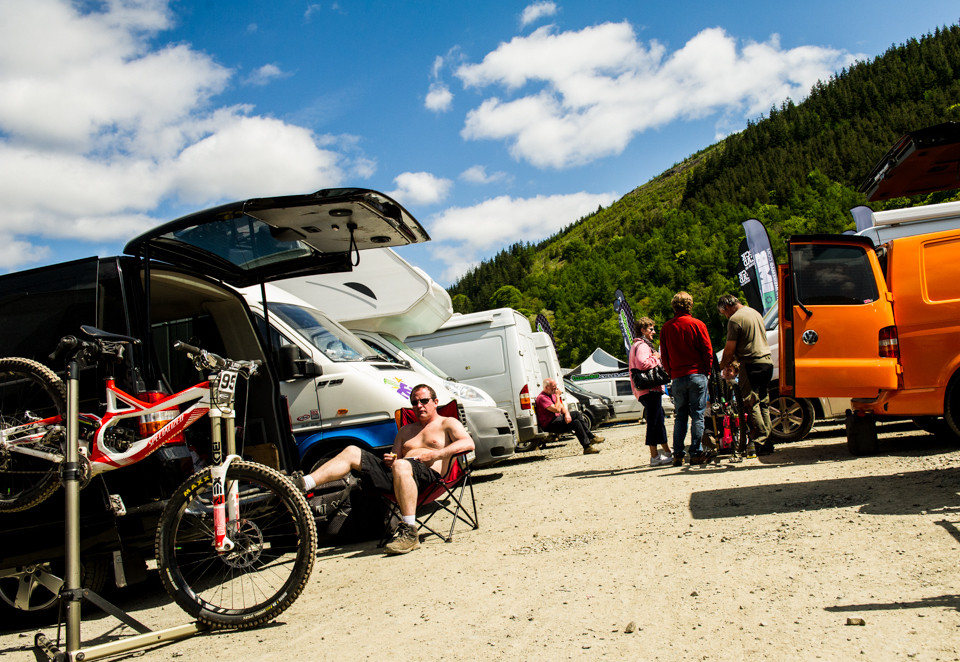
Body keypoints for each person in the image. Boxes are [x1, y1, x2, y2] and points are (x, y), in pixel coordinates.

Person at [294, 384, 475, 555]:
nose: (419, 406)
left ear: (435, 402)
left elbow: (468, 443)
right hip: (399, 475)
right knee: (352, 451)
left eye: (424, 401)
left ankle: (410, 533)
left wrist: (436, 455)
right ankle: (303, 484)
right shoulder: (405, 430)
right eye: (414, 402)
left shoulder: (447, 423)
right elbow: (394, 459)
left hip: (429, 478)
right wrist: (390, 460)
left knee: (402, 465)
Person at [659, 291, 714, 466]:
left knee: (680, 416)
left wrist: (670, 372)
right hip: (697, 374)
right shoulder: (698, 324)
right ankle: (696, 452)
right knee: (698, 415)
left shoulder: (666, 328)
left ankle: (678, 454)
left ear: (673, 306)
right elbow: (707, 351)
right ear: (690, 305)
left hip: (678, 376)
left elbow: (664, 355)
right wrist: (707, 371)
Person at [717, 294, 774, 459]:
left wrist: (720, 366)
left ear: (727, 307)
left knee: (750, 403)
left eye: (724, 313)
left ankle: (761, 441)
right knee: (763, 402)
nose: (726, 316)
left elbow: (729, 350)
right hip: (767, 362)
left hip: (751, 364)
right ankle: (768, 441)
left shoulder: (735, 320)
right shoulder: (755, 313)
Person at [629, 317, 672, 467]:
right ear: (643, 330)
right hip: (650, 389)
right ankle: (654, 455)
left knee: (658, 420)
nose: (653, 332)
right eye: (650, 329)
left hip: (645, 390)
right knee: (654, 422)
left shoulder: (636, 346)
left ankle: (667, 451)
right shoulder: (642, 346)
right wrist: (656, 358)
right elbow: (642, 364)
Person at [535, 378, 603, 454]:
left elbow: (562, 407)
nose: (556, 388)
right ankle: (591, 437)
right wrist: (557, 396)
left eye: (556, 385)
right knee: (576, 413)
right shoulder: (542, 398)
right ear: (547, 387)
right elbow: (557, 410)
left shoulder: (552, 395)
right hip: (550, 424)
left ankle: (587, 447)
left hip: (558, 420)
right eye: (553, 386)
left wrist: (567, 414)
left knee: (576, 422)